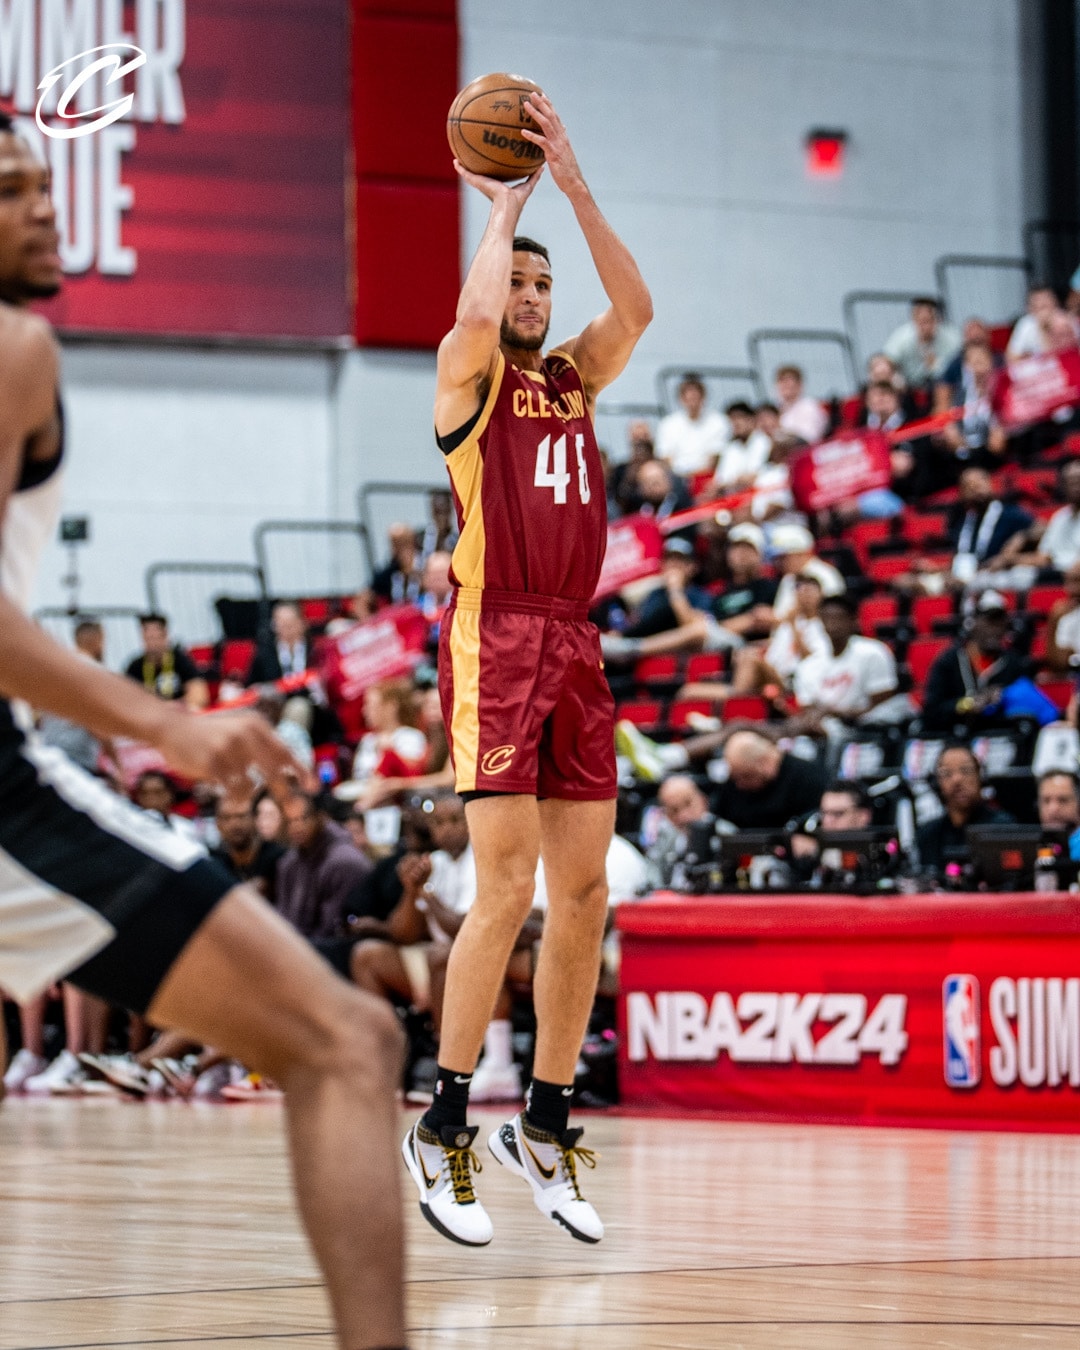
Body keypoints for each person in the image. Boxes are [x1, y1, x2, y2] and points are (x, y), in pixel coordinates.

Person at [0, 117, 406, 1349]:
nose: (42, 205)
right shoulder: (15, 346)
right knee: (347, 1039)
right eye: (8, 189)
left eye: (40, 181)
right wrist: (166, 721)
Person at [405, 87, 652, 1248]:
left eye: (544, 286)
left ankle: (544, 1125)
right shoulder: (469, 381)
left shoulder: (573, 378)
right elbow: (468, 318)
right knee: (504, 887)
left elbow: (637, 308)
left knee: (584, 896)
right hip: (495, 634)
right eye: (521, 283)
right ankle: (443, 1124)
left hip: (573, 635)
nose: (534, 298)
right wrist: (499, 211)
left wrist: (576, 188)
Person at [920, 591, 1027, 730]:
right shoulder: (949, 661)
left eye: (1000, 622)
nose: (996, 628)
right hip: (955, 734)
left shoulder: (1013, 663)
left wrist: (1002, 698)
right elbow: (931, 711)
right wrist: (966, 704)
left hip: (999, 735)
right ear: (971, 623)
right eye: (989, 621)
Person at [915, 744, 1014, 879]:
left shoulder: (1004, 829)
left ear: (980, 777)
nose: (957, 780)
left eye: (966, 770)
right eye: (947, 773)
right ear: (937, 783)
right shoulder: (928, 835)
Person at [210, 790, 286, 903]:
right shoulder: (214, 863)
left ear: (256, 819)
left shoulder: (278, 858)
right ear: (218, 824)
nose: (235, 824)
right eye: (227, 818)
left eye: (241, 816)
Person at [124, 612, 210, 710]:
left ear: (165, 635)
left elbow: (200, 697)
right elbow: (127, 702)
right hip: (150, 716)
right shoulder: (135, 667)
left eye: (155, 637)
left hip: (178, 714)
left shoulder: (180, 660)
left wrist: (170, 708)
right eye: (148, 638)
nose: (152, 643)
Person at [655, 372, 729, 478]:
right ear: (681, 398)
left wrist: (694, 476)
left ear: (703, 397)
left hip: (706, 476)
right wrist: (681, 477)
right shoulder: (668, 424)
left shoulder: (718, 422)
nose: (692, 401)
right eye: (688, 398)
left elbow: (714, 459)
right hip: (676, 478)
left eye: (695, 397)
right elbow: (665, 457)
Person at [883, 297, 962, 391]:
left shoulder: (952, 337)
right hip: (909, 388)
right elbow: (887, 361)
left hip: (946, 386)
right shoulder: (901, 338)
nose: (926, 326)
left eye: (930, 320)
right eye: (922, 321)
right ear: (914, 319)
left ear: (938, 320)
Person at [775, 365, 828, 445]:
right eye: (781, 381)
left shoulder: (809, 406)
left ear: (799, 385)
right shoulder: (778, 409)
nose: (784, 385)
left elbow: (809, 437)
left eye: (788, 381)